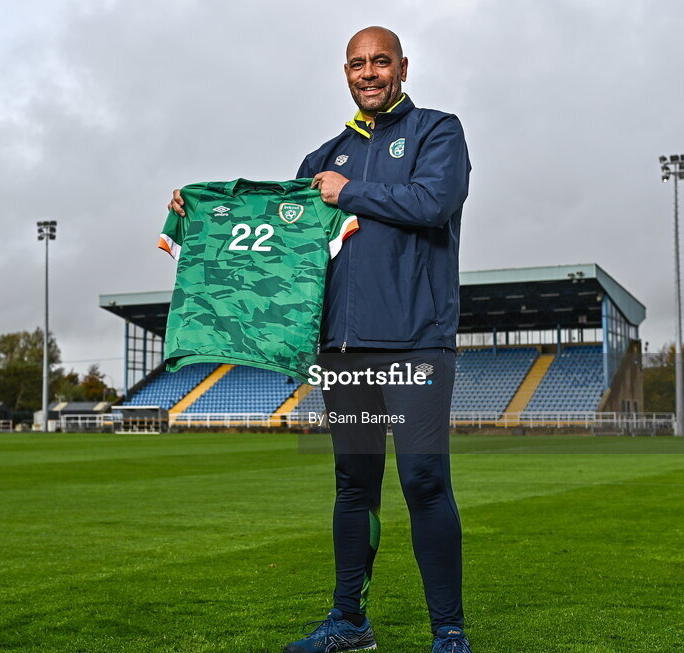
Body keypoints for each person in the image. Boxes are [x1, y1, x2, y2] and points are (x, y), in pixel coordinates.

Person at [169, 26, 472, 653]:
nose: (369, 73)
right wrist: (202, 214)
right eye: (358, 64)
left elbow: (433, 202)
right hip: (344, 349)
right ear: (346, 74)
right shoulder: (320, 159)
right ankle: (350, 623)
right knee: (354, 484)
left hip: (416, 342)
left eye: (380, 62)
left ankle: (449, 634)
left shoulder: (438, 131)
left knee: (422, 481)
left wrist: (351, 192)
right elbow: (276, 234)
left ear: (403, 68)